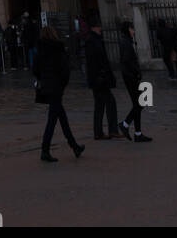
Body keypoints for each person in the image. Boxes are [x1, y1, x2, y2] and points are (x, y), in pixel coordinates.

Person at [33, 25, 84, 162]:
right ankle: (45, 150)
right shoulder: (57, 49)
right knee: (52, 120)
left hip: (46, 87)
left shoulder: (39, 51)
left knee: (62, 118)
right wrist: (62, 84)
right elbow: (65, 69)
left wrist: (43, 78)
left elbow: (35, 70)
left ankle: (74, 146)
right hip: (56, 87)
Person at [84, 14, 121, 140]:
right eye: (99, 26)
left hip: (99, 78)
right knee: (110, 102)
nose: (101, 28)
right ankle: (112, 130)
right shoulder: (92, 41)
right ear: (94, 27)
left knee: (100, 104)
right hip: (99, 79)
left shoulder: (96, 39)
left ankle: (98, 132)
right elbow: (94, 61)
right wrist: (101, 75)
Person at [118, 20, 151, 142]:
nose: (134, 31)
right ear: (128, 29)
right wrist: (136, 71)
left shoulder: (126, 41)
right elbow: (127, 61)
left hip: (130, 76)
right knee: (141, 102)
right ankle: (125, 124)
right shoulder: (126, 43)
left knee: (138, 104)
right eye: (132, 29)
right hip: (130, 77)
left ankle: (138, 133)